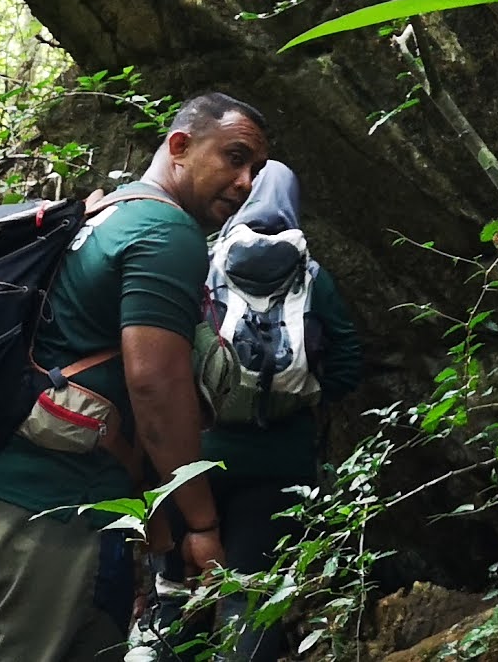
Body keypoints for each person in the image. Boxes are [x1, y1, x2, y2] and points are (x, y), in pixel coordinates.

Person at [0, 92, 270, 662]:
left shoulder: (102, 213)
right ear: (180, 146)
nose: (245, 182)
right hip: (47, 518)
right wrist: (201, 522)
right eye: (235, 158)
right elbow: (155, 385)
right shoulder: (166, 231)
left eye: (256, 170)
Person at [170, 158, 363, 661]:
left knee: (179, 588)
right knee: (252, 594)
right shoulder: (312, 277)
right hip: (280, 457)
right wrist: (306, 398)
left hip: (196, 453)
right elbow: (347, 360)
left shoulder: (204, 261)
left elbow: (170, 347)